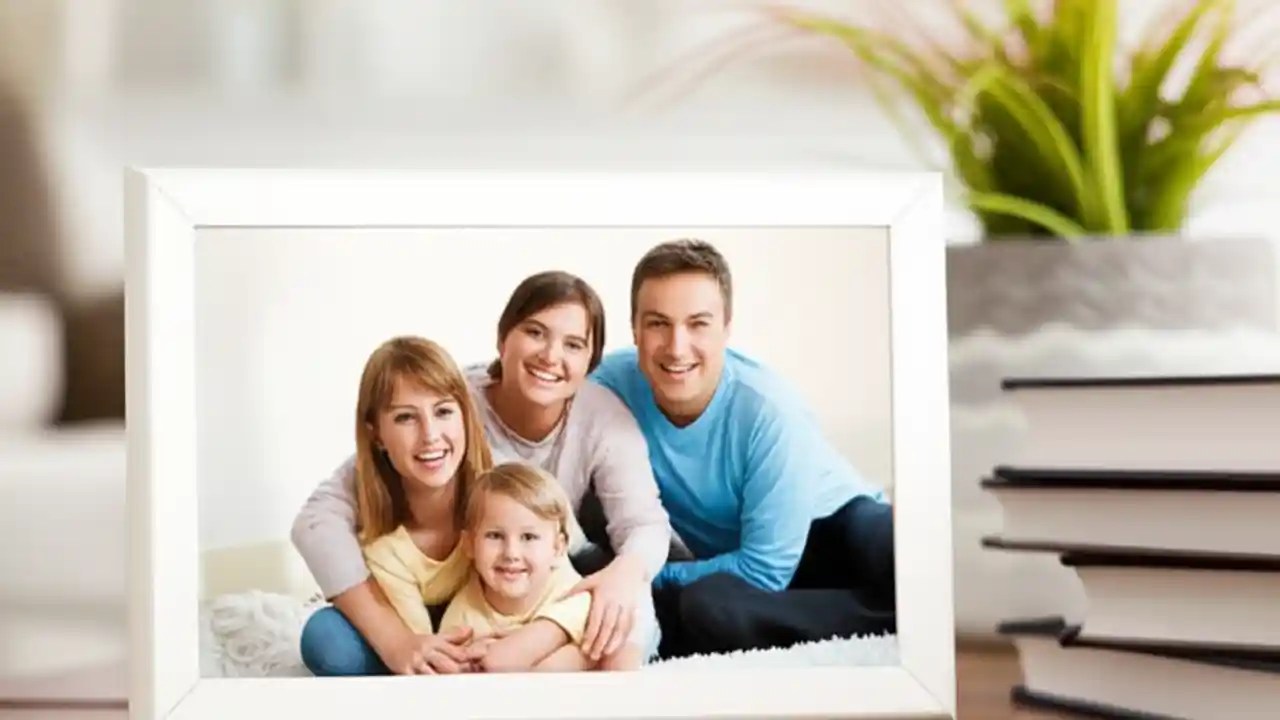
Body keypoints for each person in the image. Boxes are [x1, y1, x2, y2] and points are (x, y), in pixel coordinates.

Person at [293, 271, 670, 675]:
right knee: (327, 640)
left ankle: (611, 690)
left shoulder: (603, 421)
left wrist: (613, 583)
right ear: (502, 338)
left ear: (590, 361)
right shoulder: (452, 403)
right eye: (535, 332)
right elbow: (316, 521)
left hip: (534, 587)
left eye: (573, 344)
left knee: (624, 592)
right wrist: (398, 642)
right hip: (443, 609)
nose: (550, 356)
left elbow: (637, 530)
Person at [589, 238, 897, 658]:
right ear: (635, 328)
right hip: (738, 569)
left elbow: (765, 571)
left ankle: (889, 614)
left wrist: (636, 575)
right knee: (707, 608)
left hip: (832, 527)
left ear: (726, 328)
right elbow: (536, 397)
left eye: (698, 323)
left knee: (900, 550)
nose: (677, 347)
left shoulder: (768, 410)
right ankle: (882, 613)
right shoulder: (607, 388)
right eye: (658, 323)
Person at [307, 335, 493, 676]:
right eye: (406, 418)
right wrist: (398, 644)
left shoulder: (495, 483)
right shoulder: (361, 493)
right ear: (376, 433)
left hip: (481, 614)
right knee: (325, 639)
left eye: (443, 412)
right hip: (395, 614)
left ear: (465, 415)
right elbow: (310, 526)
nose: (430, 435)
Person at [440, 462, 642, 672]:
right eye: (495, 536)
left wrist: (550, 661)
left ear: (558, 548)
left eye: (528, 537)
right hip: (519, 698)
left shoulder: (567, 586)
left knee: (621, 649)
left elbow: (600, 628)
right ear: (470, 545)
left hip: (576, 689)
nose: (511, 553)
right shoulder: (462, 619)